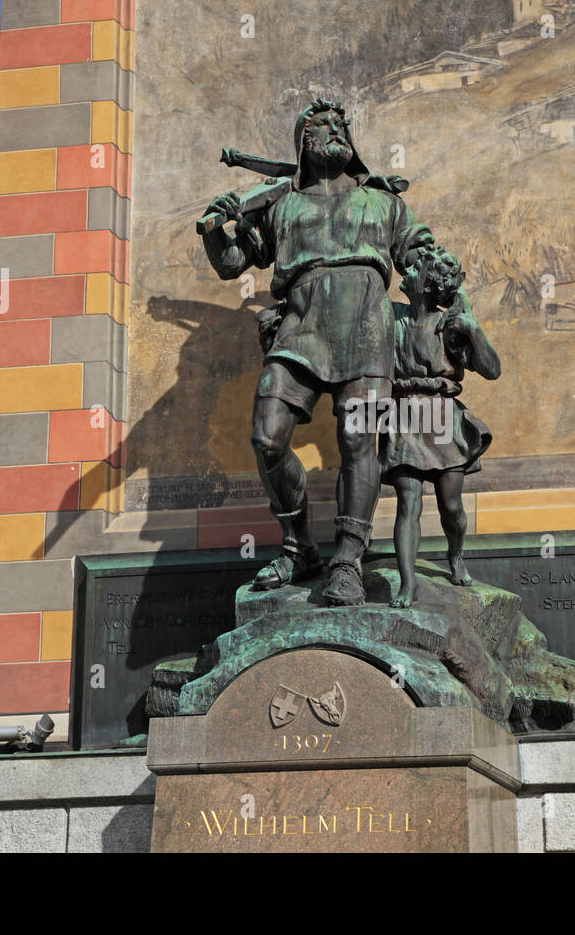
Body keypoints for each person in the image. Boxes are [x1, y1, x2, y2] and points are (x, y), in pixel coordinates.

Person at [201, 99, 436, 605]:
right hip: (300, 325)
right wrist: (217, 232)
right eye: (324, 125)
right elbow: (234, 262)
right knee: (267, 437)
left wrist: (438, 285)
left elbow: (420, 251)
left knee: (358, 439)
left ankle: (347, 561)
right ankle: (299, 546)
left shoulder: (382, 201)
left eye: (342, 125)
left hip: (368, 329)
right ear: (303, 142)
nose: (336, 130)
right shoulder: (281, 203)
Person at [381, 245, 500, 608]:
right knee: (408, 503)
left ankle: (455, 553)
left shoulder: (449, 325)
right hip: (403, 416)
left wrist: (474, 329)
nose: (407, 270)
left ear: (429, 285)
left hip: (442, 417)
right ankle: (408, 583)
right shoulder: (393, 316)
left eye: (415, 268)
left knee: (451, 505)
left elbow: (492, 370)